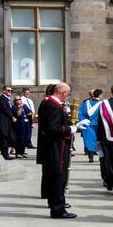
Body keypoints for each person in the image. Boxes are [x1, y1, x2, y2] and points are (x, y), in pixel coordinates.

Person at [36, 82, 75, 219]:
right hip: (56, 147)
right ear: (63, 93)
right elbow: (53, 128)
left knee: (56, 177)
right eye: (67, 94)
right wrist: (70, 129)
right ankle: (58, 209)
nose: (67, 96)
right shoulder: (52, 105)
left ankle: (56, 204)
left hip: (55, 146)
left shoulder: (52, 104)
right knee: (59, 177)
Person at [0, 85, 16, 160]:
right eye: (8, 90)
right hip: (2, 122)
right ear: (4, 91)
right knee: (3, 137)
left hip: (7, 122)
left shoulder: (7, 100)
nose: (10, 92)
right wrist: (12, 117)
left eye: (11, 91)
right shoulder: (1, 99)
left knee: (7, 137)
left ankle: (7, 153)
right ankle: (5, 154)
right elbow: (5, 109)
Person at [14, 90, 34, 157]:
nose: (19, 100)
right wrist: (20, 107)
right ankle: (18, 153)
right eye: (17, 100)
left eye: (20, 99)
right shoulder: (14, 107)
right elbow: (18, 114)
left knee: (26, 138)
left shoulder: (24, 105)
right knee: (20, 138)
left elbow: (29, 112)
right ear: (15, 101)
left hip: (26, 123)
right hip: (20, 124)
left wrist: (29, 113)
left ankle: (22, 152)